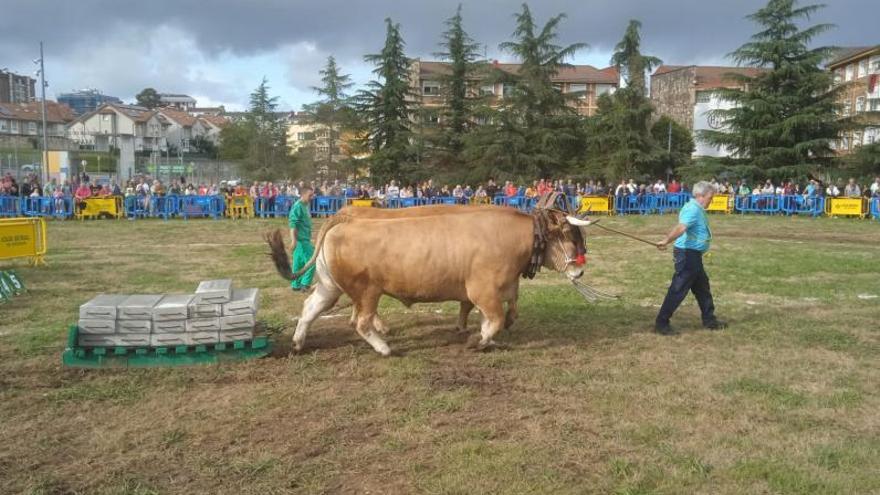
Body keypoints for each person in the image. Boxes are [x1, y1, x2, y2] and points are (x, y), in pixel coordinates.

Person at [654, 181, 726, 335]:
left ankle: (709, 320)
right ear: (700, 196)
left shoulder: (697, 208)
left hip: (693, 255)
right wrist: (666, 240)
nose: (711, 200)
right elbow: (681, 227)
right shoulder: (692, 209)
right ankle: (662, 323)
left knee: (702, 288)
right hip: (687, 255)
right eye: (709, 197)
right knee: (678, 288)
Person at [288, 186, 315, 292]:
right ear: (302, 195)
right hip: (301, 241)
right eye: (310, 195)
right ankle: (305, 284)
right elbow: (292, 224)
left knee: (298, 263)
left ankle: (296, 285)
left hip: (303, 240)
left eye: (312, 195)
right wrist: (293, 240)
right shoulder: (298, 206)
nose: (312, 197)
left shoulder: (304, 206)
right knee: (312, 261)